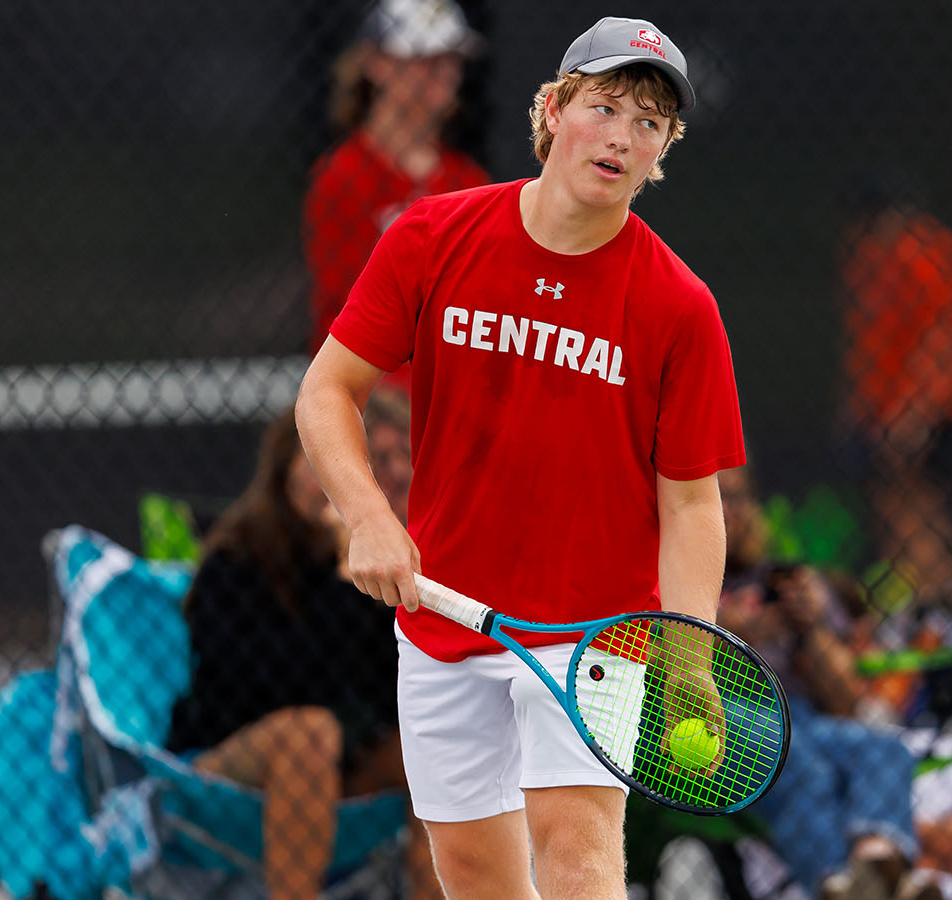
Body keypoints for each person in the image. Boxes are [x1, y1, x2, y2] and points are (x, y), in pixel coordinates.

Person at [295, 16, 745, 900]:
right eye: (605, 106)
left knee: (576, 852)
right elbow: (326, 391)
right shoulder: (432, 237)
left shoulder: (680, 307)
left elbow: (693, 504)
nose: (621, 136)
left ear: (662, 153)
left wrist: (690, 658)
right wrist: (372, 519)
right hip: (445, 613)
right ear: (554, 109)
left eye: (649, 123)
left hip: (599, 635)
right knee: (470, 873)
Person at [164, 393, 439, 900]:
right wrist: (342, 573)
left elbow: (388, 694)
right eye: (327, 462)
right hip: (228, 764)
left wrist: (359, 580)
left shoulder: (391, 569)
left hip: (341, 769)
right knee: (310, 733)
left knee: (436, 743)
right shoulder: (237, 560)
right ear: (287, 466)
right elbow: (275, 687)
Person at [719, 465, 952, 899]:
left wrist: (812, 627)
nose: (727, 510)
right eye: (714, 496)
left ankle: (878, 866)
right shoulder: (672, 580)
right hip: (718, 715)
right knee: (801, 762)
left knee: (881, 748)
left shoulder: (781, 579)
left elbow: (847, 701)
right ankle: (833, 883)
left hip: (797, 713)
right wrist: (719, 631)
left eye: (736, 497)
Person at [302, 0, 491, 385]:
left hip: (449, 393)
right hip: (368, 395)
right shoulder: (343, 175)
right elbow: (350, 308)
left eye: (451, 58)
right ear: (378, 64)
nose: (443, 72)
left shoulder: (469, 181)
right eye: (424, 58)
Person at [838, 175, 952, 601]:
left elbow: (942, 339)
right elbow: (869, 345)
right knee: (891, 509)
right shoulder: (870, 260)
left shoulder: (925, 251)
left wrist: (916, 414)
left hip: (927, 410)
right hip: (888, 412)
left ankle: (947, 602)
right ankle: (921, 602)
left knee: (917, 510)